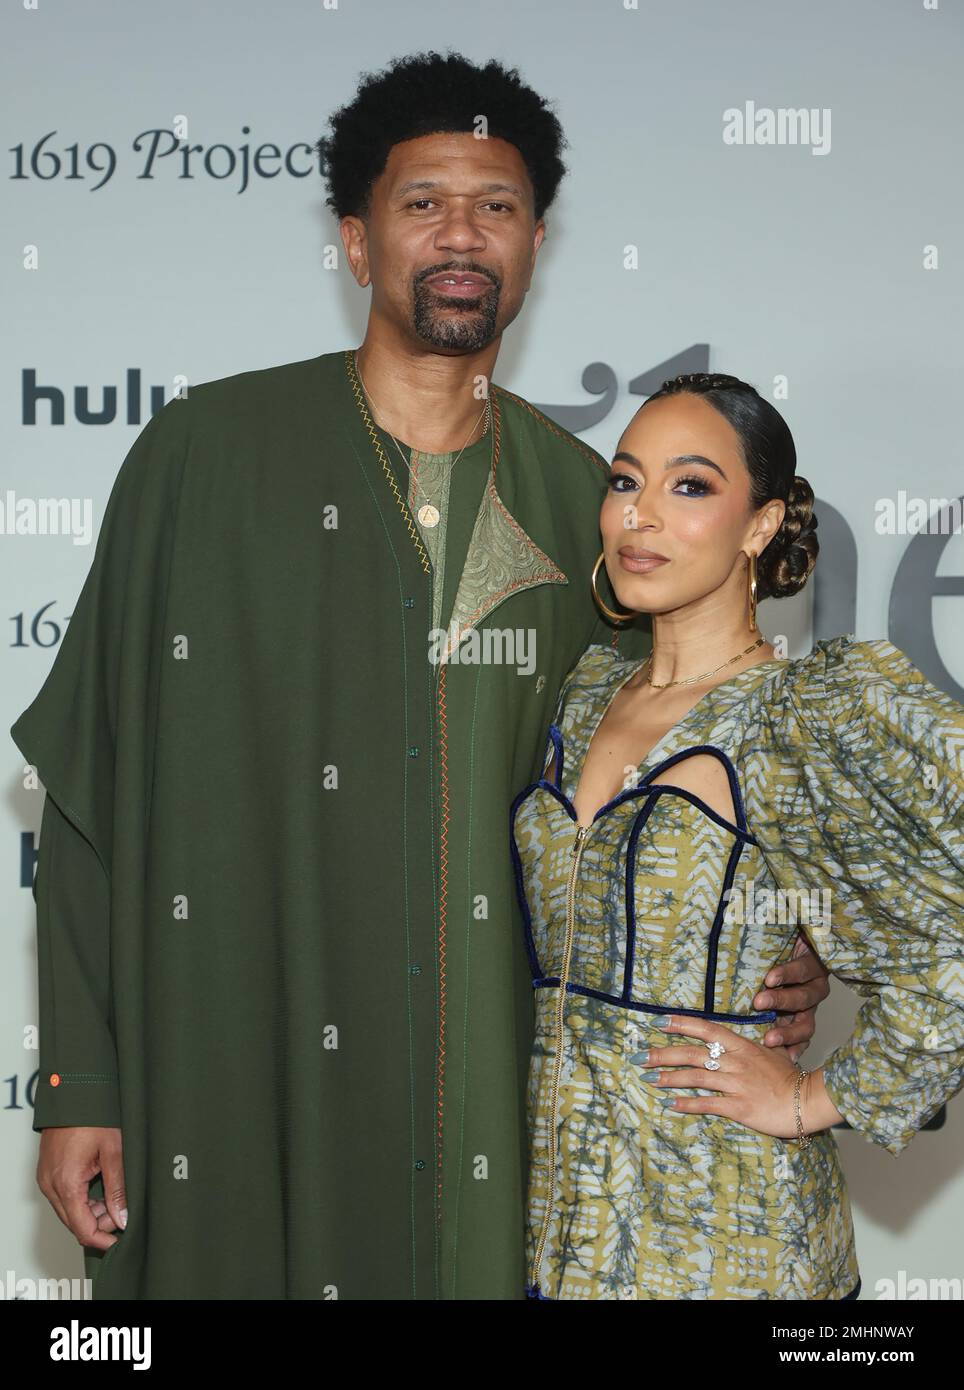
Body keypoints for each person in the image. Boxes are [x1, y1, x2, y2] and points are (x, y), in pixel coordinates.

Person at [11, 52, 829, 1301]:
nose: (462, 234)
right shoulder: (200, 459)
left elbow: (687, 775)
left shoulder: (591, 510)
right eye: (422, 202)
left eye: (495, 206)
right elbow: (88, 799)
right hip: (234, 1055)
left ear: (536, 243)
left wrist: (780, 943)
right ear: (355, 241)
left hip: (492, 1096)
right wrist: (81, 1077)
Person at [510, 371, 964, 1300]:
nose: (640, 515)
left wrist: (814, 1098)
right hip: (558, 1229)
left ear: (759, 525)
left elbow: (948, 947)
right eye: (626, 481)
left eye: (690, 486)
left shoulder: (801, 715)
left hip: (730, 1238)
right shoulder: (584, 688)